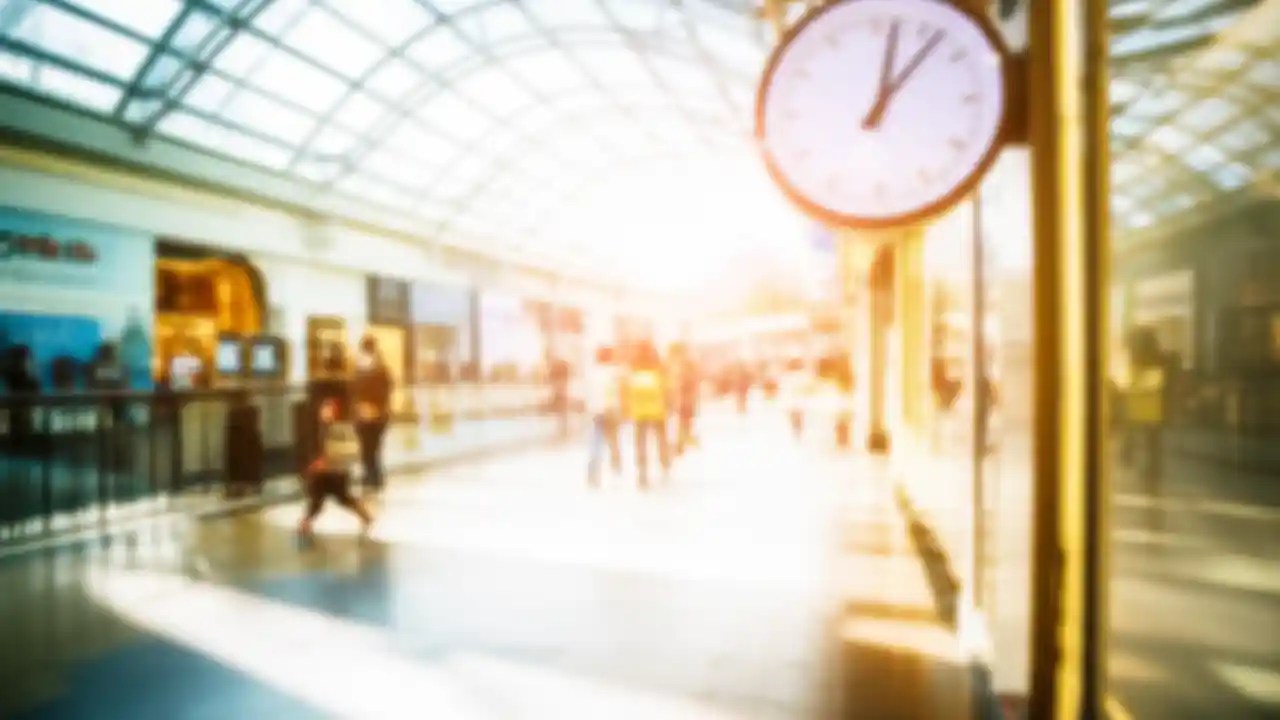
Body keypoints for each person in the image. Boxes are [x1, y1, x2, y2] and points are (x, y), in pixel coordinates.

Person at [299, 397, 374, 541]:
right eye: (324, 409)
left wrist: (327, 461)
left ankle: (365, 516)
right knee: (320, 497)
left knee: (340, 497)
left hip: (335, 471)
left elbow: (348, 449)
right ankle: (306, 522)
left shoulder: (340, 429)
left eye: (329, 410)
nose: (325, 413)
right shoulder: (322, 428)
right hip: (324, 472)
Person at [351, 335, 392, 498]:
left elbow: (383, 392)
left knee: (369, 447)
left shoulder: (368, 370)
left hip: (373, 415)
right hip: (370, 415)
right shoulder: (377, 369)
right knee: (371, 447)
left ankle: (372, 476)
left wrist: (369, 407)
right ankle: (372, 476)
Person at [625, 341, 670, 489]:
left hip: (639, 412)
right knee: (661, 439)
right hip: (657, 410)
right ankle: (664, 463)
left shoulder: (634, 368)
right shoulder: (658, 367)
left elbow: (627, 390)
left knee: (640, 443)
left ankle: (642, 471)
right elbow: (666, 388)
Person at [585, 346, 623, 486]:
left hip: (596, 411)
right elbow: (614, 394)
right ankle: (616, 470)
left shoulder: (592, 374)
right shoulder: (613, 373)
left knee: (596, 442)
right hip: (610, 410)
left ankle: (593, 472)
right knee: (614, 442)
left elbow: (588, 394)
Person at [669, 344, 701, 456]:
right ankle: (682, 443)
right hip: (685, 399)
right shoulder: (683, 365)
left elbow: (687, 383)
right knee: (683, 421)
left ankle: (681, 444)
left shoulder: (683, 366)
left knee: (684, 421)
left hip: (685, 399)